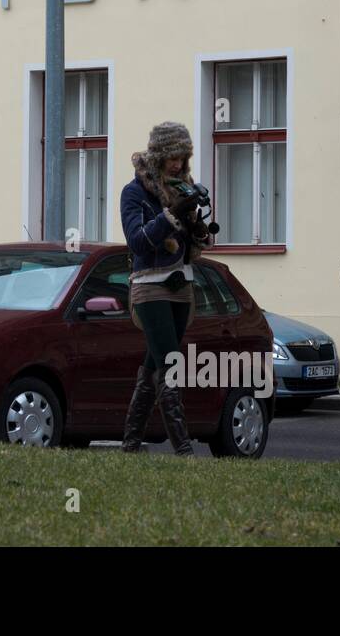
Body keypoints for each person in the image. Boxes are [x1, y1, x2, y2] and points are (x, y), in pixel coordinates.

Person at [119, 121, 211, 455]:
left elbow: (193, 241)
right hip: (150, 287)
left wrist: (199, 228)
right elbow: (138, 242)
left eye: (183, 157)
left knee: (153, 366)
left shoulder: (183, 186)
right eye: (172, 156)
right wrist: (171, 215)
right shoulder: (134, 193)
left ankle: (130, 444)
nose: (178, 164)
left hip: (181, 284)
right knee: (171, 364)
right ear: (158, 155)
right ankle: (183, 450)